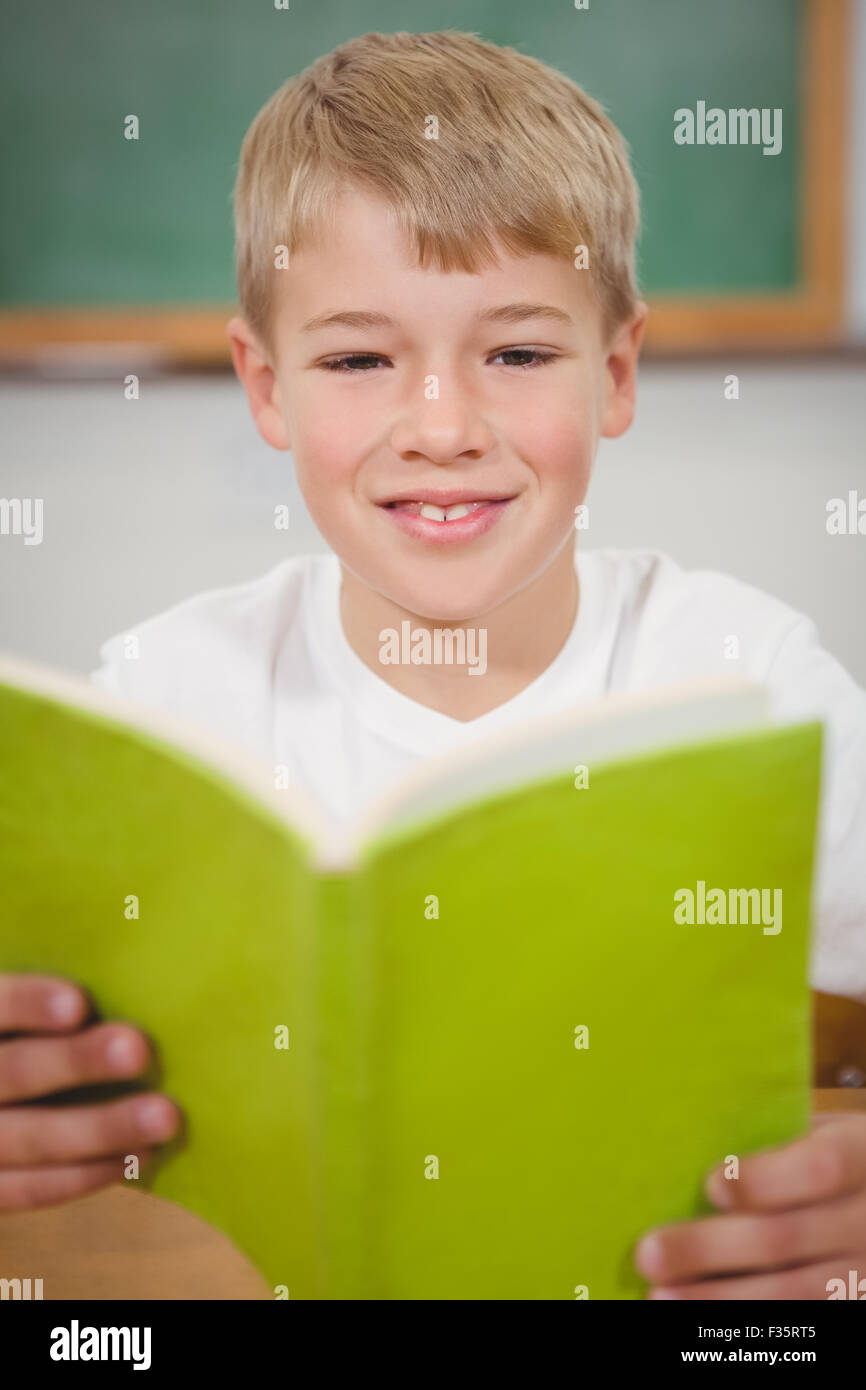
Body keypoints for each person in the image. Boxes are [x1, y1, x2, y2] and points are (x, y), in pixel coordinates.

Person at [3, 31, 865, 1299]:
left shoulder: (753, 680)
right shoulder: (161, 699)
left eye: (515, 354)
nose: (443, 429)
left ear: (614, 372)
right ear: (267, 386)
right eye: (358, 359)